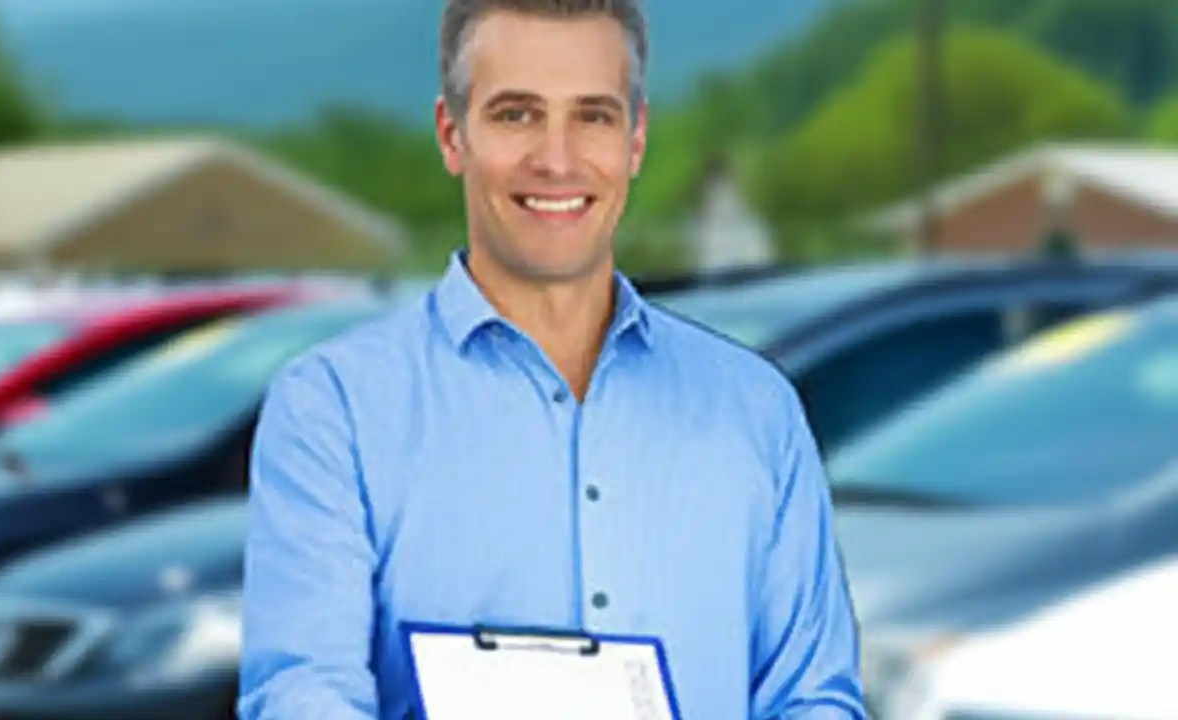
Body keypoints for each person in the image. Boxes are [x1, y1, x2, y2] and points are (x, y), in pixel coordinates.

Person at [238, 1, 865, 717]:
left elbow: (814, 698)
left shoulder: (755, 409)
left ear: (635, 139)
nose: (558, 160)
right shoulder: (333, 410)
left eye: (592, 116)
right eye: (516, 114)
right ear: (452, 134)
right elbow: (302, 691)